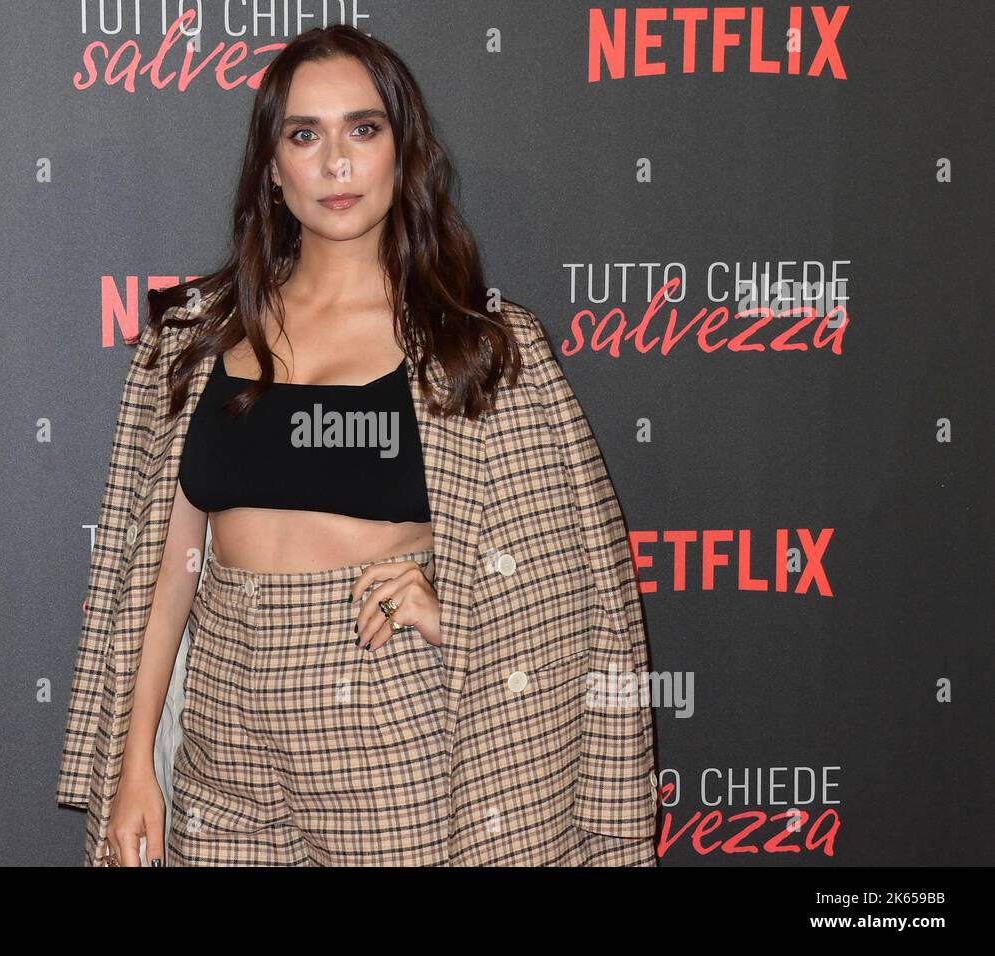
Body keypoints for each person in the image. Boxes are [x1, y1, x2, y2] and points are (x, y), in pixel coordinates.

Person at [59, 23, 659, 867]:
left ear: (401, 153)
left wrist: (458, 621)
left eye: (362, 130)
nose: (335, 162)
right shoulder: (195, 337)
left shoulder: (478, 347)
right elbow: (170, 568)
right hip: (223, 722)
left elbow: (573, 587)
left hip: (385, 712)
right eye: (304, 135)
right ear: (272, 167)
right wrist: (134, 766)